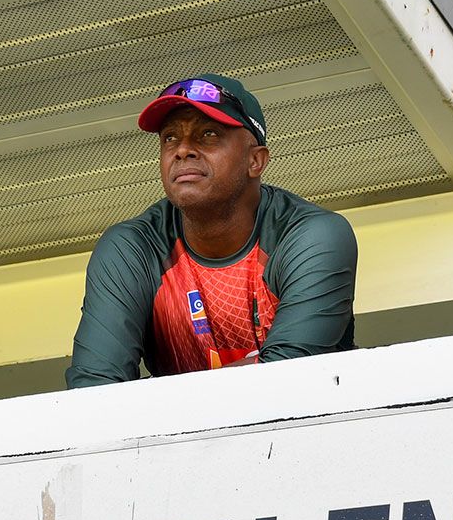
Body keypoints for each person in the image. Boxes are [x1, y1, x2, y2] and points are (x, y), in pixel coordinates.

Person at [66, 74, 357, 387]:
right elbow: (92, 392)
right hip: (184, 437)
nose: (183, 150)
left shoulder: (312, 236)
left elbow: (286, 382)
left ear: (255, 161)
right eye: (170, 138)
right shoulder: (133, 249)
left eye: (208, 134)